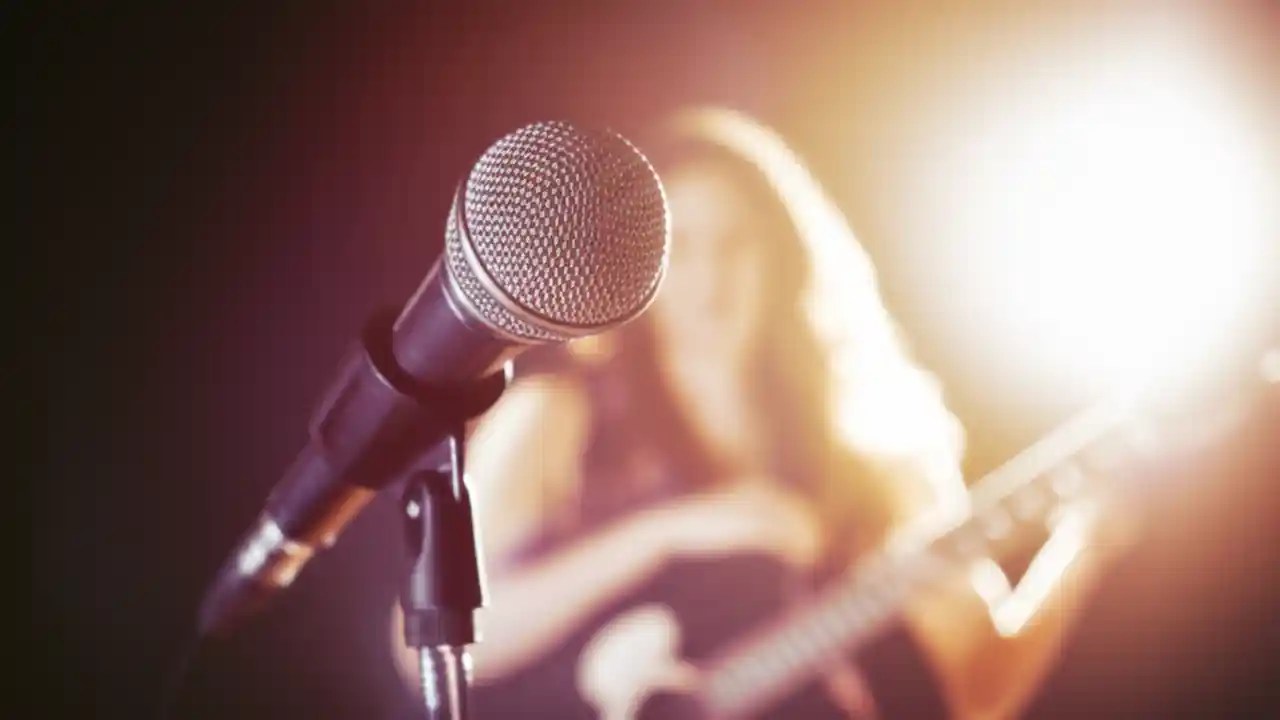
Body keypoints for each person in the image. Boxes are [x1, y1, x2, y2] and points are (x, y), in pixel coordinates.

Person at [393, 107, 1129, 718]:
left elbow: (976, 688)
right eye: (683, 251)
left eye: (736, 245)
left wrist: (1085, 546)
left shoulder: (869, 457)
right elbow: (437, 642)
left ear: (783, 264)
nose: (711, 278)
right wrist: (676, 532)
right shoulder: (560, 418)